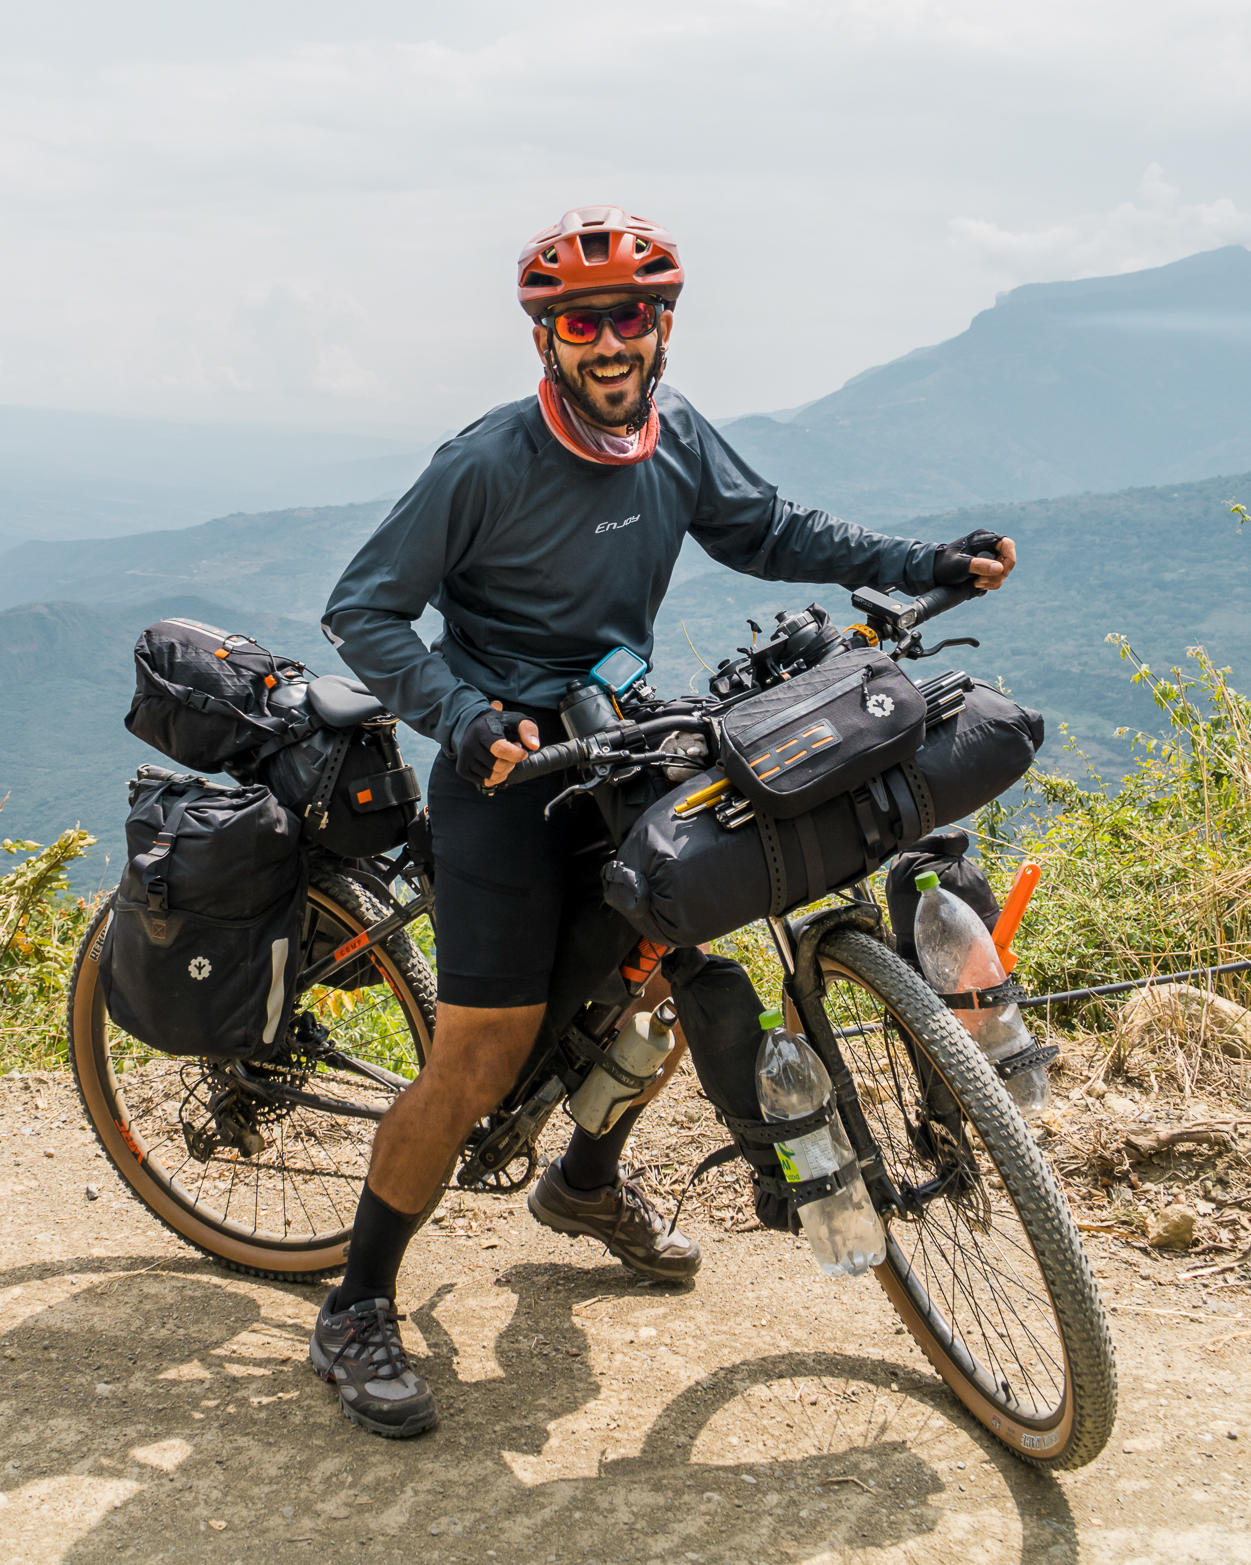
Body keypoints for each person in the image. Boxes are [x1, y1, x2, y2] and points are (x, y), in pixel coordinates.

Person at [308, 205, 1016, 1437]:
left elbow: (773, 529)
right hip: (503, 772)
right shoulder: (484, 460)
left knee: (678, 946)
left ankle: (582, 1184)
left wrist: (925, 564)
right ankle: (356, 1302)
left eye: (627, 315)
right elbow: (362, 610)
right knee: (482, 1047)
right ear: (547, 338)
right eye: (579, 322)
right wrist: (463, 712)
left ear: (661, 325)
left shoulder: (671, 434)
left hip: (625, 738)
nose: (607, 340)